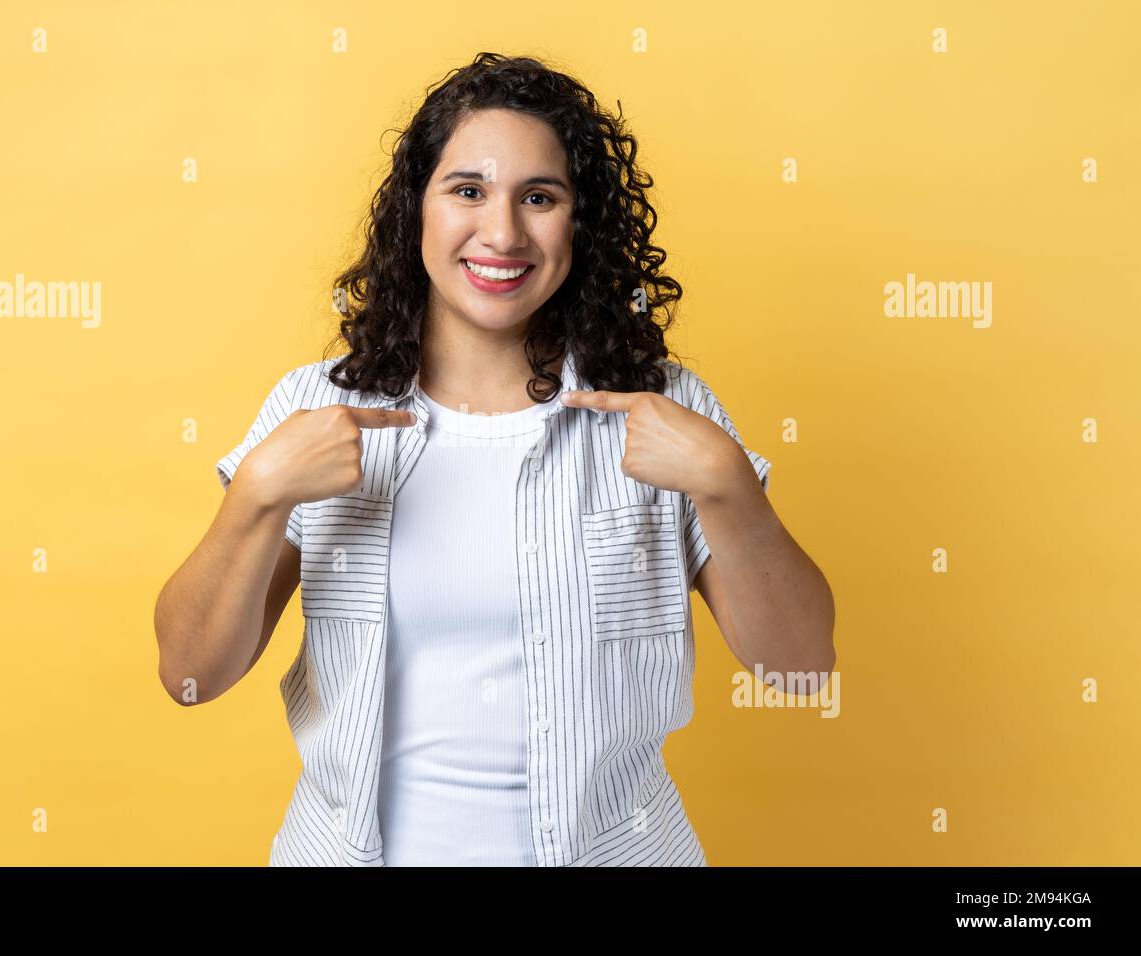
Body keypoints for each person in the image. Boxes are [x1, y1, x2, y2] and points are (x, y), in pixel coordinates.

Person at [154, 52, 835, 866]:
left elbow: (798, 669)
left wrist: (731, 489)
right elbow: (190, 674)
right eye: (468, 190)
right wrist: (257, 495)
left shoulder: (667, 409)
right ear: (419, 212)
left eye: (539, 198)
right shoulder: (316, 408)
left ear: (579, 224)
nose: (503, 233)